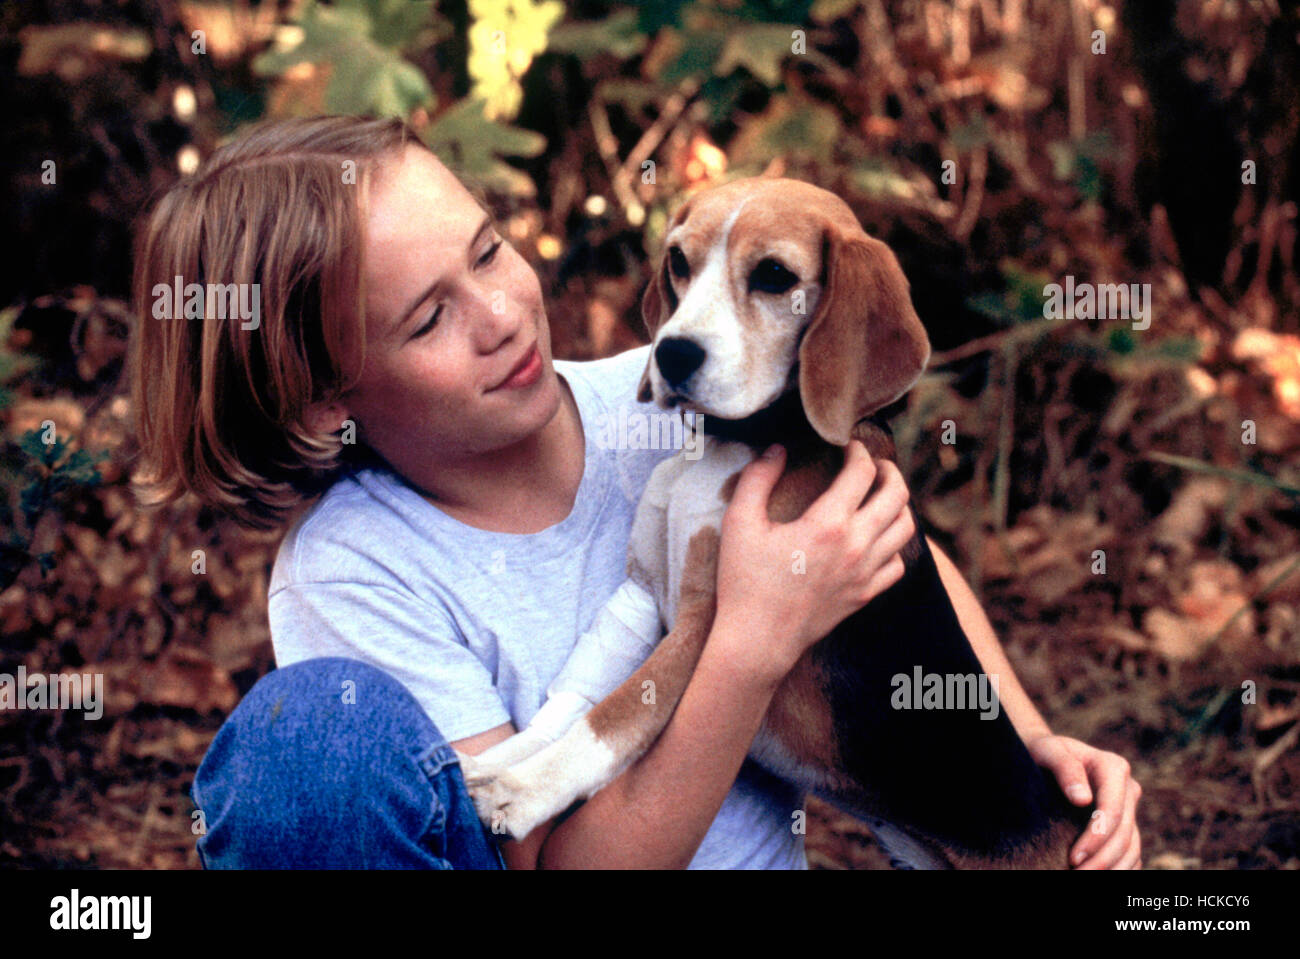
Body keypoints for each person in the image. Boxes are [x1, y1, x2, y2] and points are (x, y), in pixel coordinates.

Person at [129, 115, 1142, 869]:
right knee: (306, 743)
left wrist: (1031, 744)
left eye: (488, 249)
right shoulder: (353, 568)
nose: (500, 313)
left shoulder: (689, 396)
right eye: (429, 317)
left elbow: (881, 545)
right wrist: (745, 644)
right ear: (320, 401)